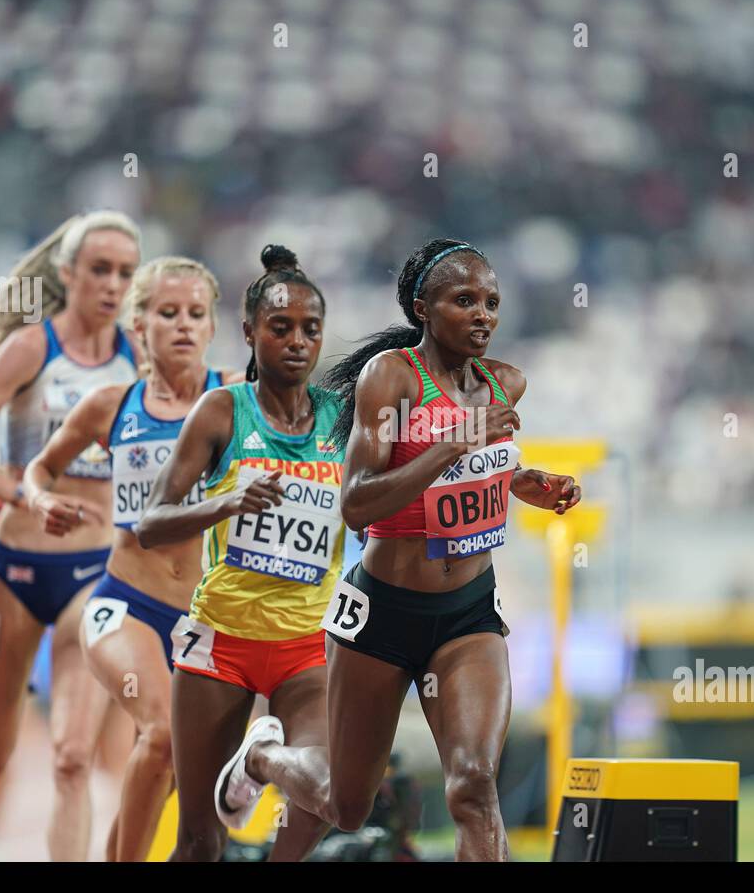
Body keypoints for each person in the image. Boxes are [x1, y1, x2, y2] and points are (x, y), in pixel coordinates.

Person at [216, 238, 581, 861]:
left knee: (473, 785)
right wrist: (460, 438)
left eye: (491, 302)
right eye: (463, 300)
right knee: (347, 804)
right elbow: (359, 502)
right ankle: (262, 755)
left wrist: (527, 483)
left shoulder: (506, 383)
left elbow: (480, 467)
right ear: (423, 308)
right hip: (380, 614)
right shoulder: (389, 378)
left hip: (467, 615)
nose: (483, 315)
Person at [0, 211, 142, 860]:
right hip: (17, 569)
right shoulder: (31, 349)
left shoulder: (138, 353)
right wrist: (28, 493)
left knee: (74, 761)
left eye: (125, 273)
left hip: (97, 575)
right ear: (68, 274)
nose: (112, 284)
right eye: (99, 269)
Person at [24, 256, 238, 861]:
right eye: (167, 313)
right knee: (164, 734)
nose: (183, 326)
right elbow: (42, 466)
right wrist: (41, 499)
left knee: (171, 775)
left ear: (213, 325)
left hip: (205, 619)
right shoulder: (111, 406)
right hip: (124, 605)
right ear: (137, 324)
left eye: (196, 314)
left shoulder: (238, 400)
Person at [136, 245, 341, 862]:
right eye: (280, 328)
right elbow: (151, 522)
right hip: (220, 642)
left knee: (329, 796)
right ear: (250, 332)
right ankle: (247, 766)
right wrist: (227, 502)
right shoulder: (223, 411)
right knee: (199, 841)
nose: (298, 342)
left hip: (306, 644)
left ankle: (257, 760)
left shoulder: (341, 417)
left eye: (311, 329)